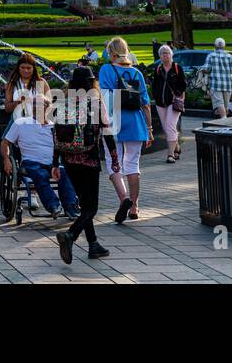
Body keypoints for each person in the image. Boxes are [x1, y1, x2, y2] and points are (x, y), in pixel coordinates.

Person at [53, 66, 119, 263]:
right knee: (91, 208)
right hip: (89, 160)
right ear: (92, 83)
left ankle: (93, 245)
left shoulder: (62, 101)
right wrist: (114, 159)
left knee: (84, 204)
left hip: (68, 159)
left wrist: (55, 163)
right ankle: (70, 235)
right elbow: (106, 132)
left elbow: (56, 135)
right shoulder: (96, 102)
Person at [98, 37, 153, 223]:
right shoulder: (137, 73)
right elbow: (146, 104)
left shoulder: (106, 69)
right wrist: (150, 129)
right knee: (133, 164)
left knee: (113, 162)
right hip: (136, 122)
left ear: (111, 53)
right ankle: (135, 206)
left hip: (113, 122)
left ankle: (124, 199)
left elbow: (104, 99)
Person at [0, 109, 79, 218]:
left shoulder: (54, 126)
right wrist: (6, 159)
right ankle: (53, 206)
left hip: (52, 162)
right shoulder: (20, 123)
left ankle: (71, 207)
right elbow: (5, 143)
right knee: (40, 174)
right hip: (31, 162)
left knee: (65, 172)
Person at [151, 44, 187, 163]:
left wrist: (177, 94)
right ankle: (176, 147)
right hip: (160, 103)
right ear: (159, 56)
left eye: (166, 53)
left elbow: (183, 84)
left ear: (171, 54)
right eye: (162, 53)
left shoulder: (177, 68)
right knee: (166, 127)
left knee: (170, 126)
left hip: (173, 102)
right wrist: (155, 96)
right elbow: (154, 85)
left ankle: (170, 154)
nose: (164, 55)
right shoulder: (158, 69)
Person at [4, 52, 50, 124]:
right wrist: (17, 101)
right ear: (18, 68)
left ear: (33, 68)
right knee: (6, 135)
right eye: (22, 68)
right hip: (17, 123)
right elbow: (7, 109)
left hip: (38, 122)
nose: (26, 70)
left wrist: (38, 102)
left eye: (29, 68)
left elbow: (50, 104)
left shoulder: (40, 82)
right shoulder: (12, 84)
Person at [203, 37, 232, 119]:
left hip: (215, 84)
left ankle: (224, 121)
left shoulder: (210, 56)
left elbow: (206, 70)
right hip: (227, 85)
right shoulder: (230, 56)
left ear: (215, 45)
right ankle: (224, 119)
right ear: (224, 46)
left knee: (219, 103)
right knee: (226, 105)